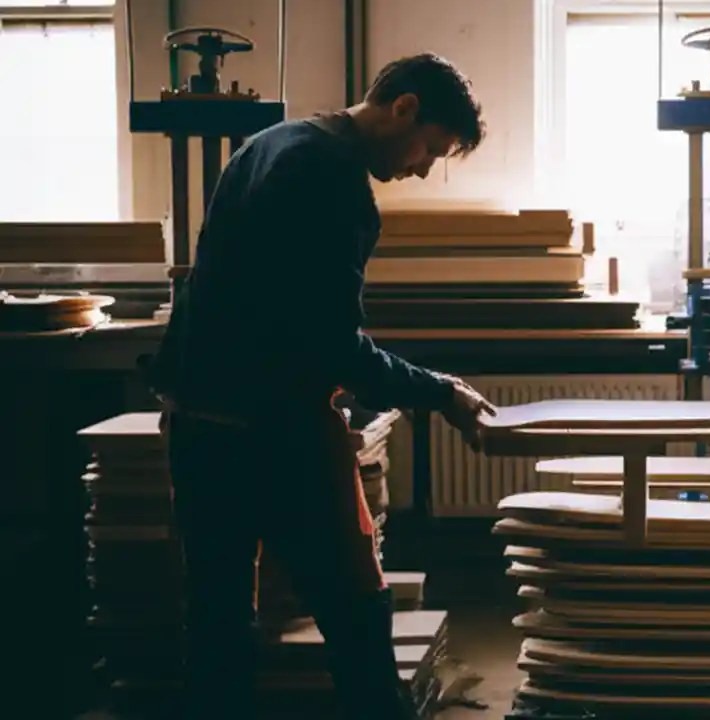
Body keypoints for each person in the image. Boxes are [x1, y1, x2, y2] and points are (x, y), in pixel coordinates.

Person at [141, 53, 496, 719]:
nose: (422, 168)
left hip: (199, 420)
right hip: (276, 434)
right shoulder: (333, 179)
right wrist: (442, 393)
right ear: (405, 108)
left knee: (217, 621)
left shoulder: (268, 144)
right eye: (430, 150)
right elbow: (334, 349)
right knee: (356, 611)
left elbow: (220, 292)